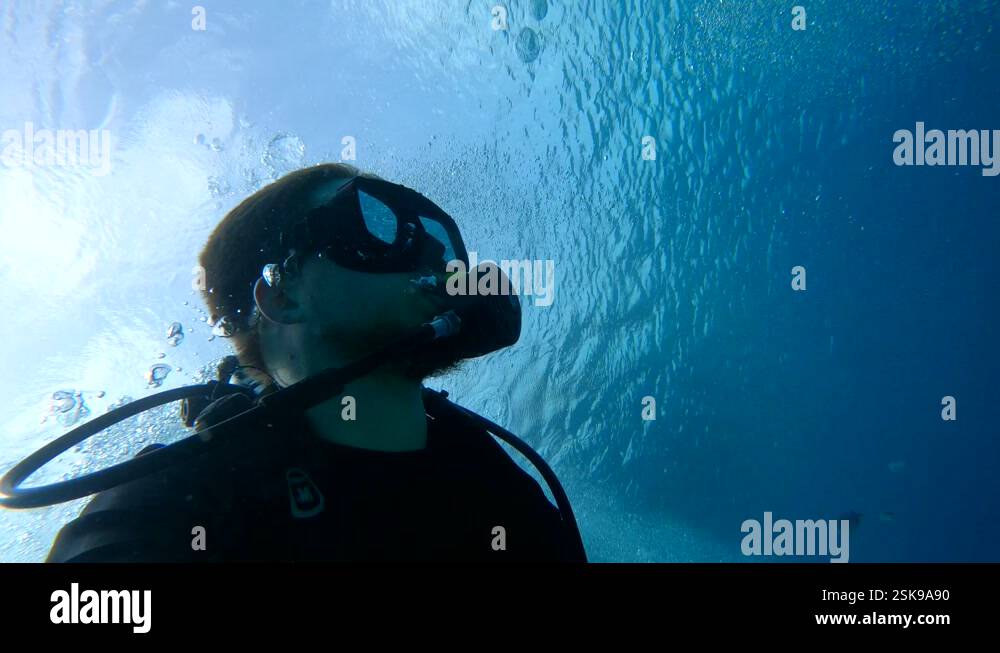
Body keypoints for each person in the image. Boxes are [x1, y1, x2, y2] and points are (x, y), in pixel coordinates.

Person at [46, 163, 584, 562]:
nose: (433, 260)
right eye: (376, 221)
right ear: (279, 295)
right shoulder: (183, 492)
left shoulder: (496, 484)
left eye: (445, 243)